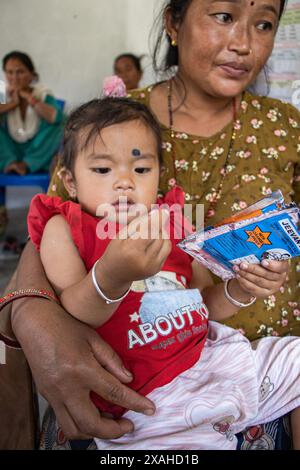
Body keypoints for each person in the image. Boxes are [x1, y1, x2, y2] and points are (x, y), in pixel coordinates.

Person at [7, 0, 300, 447]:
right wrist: (31, 318)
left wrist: (245, 286)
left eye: (264, 23)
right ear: (173, 22)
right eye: (223, 16)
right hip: (142, 395)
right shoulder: (112, 120)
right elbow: (49, 244)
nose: (243, 43)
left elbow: (203, 300)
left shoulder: (284, 127)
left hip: (241, 370)